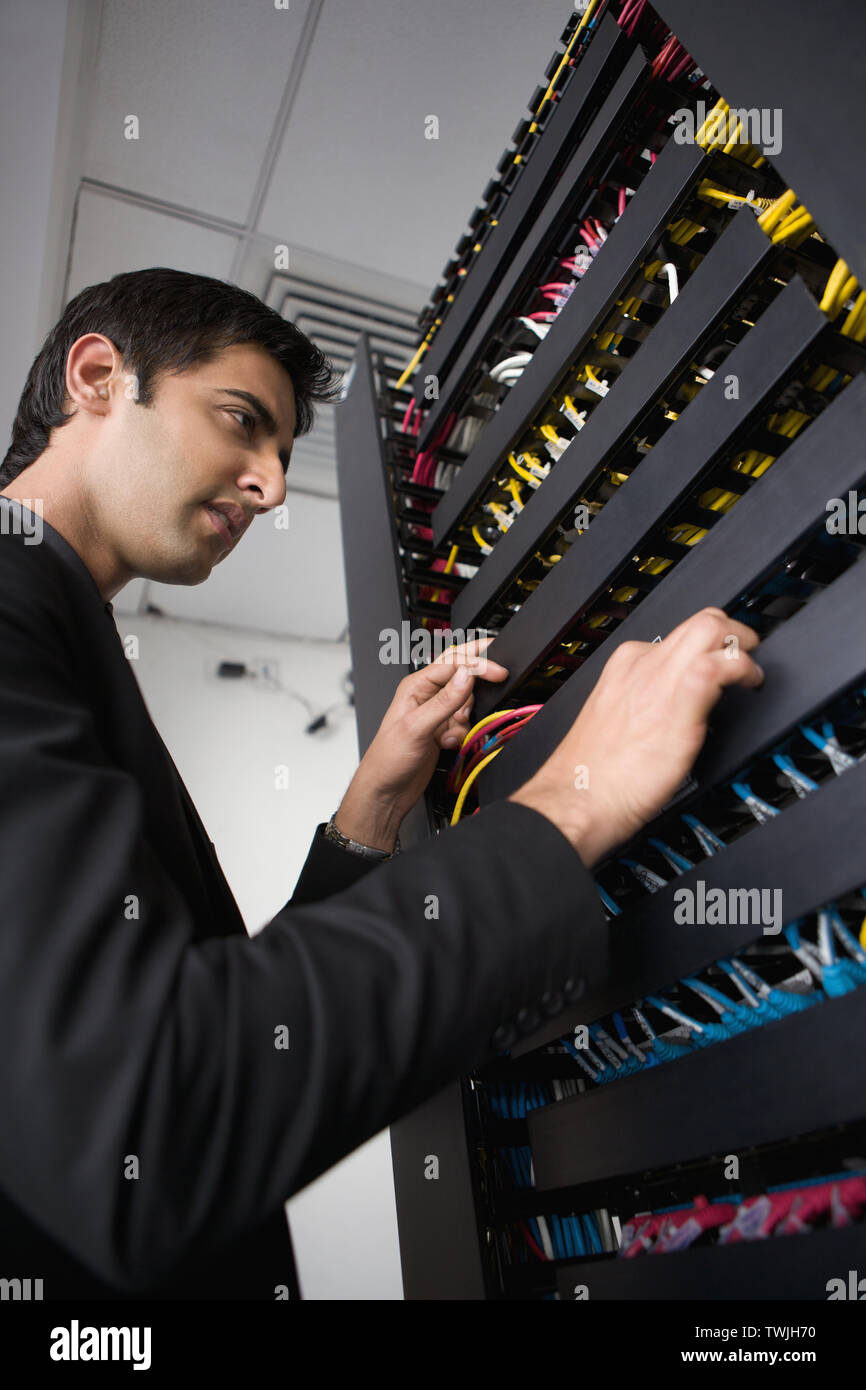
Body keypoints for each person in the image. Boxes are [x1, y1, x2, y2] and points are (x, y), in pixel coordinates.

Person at [0, 268, 764, 1300]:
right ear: (98, 376)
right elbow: (147, 1114)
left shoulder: (61, 630)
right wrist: (574, 801)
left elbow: (213, 1021)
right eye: (241, 420)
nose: (270, 487)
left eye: (279, 454)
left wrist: (371, 812)